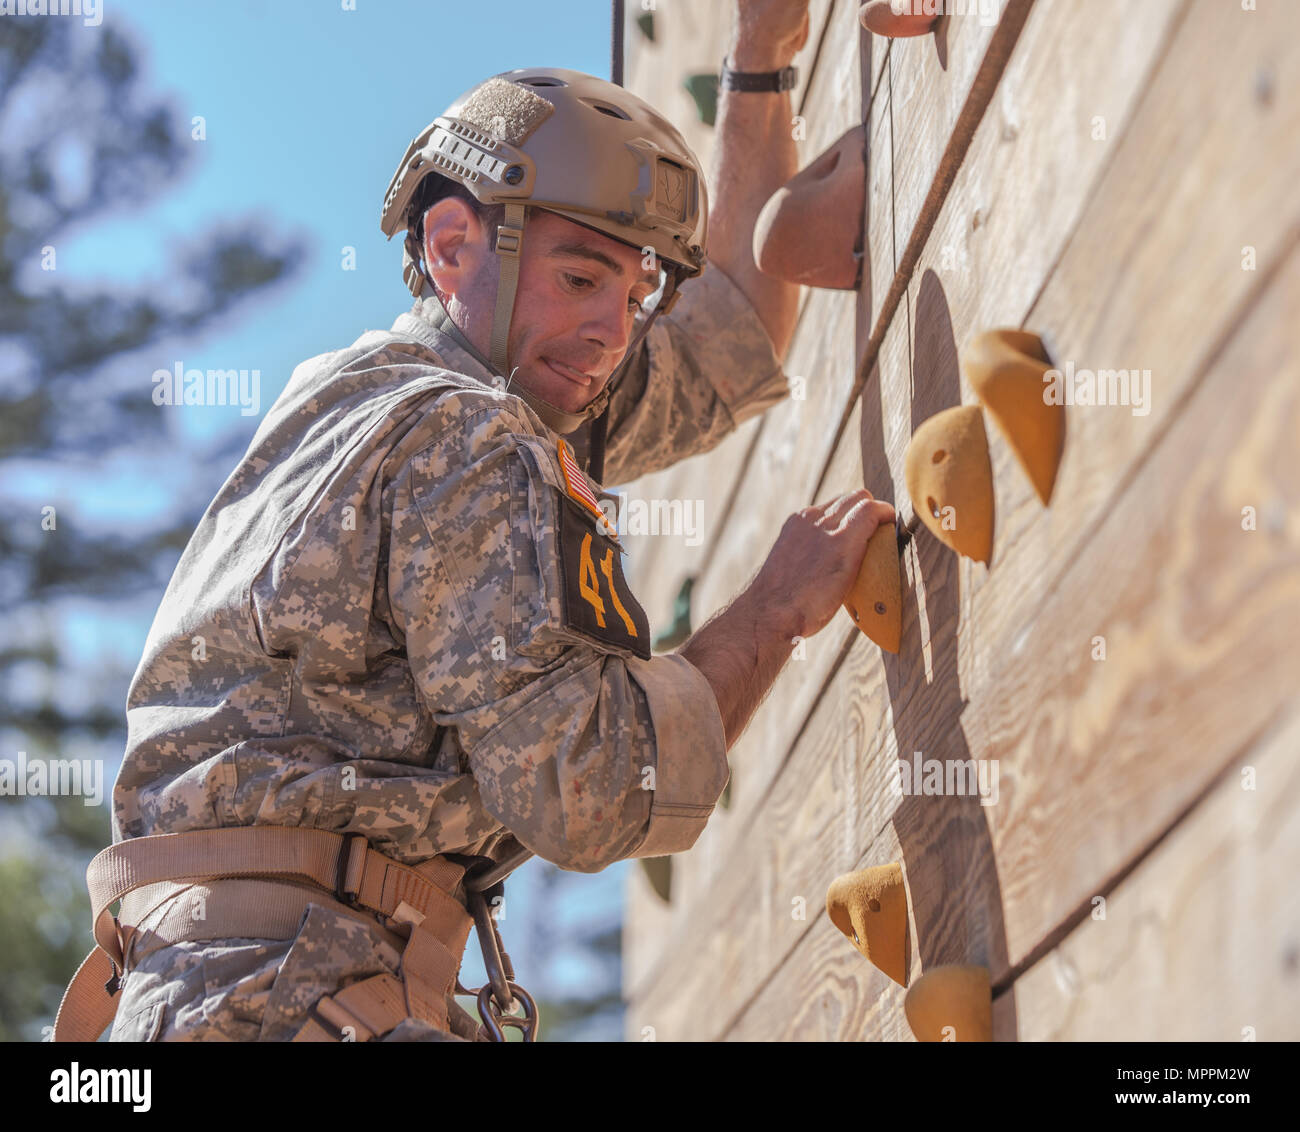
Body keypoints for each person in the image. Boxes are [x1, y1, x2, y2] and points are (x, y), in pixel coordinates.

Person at [55, 0, 894, 1043]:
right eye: (583, 277)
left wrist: (756, 61)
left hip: (225, 986)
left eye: (635, 297)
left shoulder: (369, 396)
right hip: (297, 987)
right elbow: (586, 788)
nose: (611, 330)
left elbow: (725, 337)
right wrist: (771, 614)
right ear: (450, 247)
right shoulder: (465, 434)